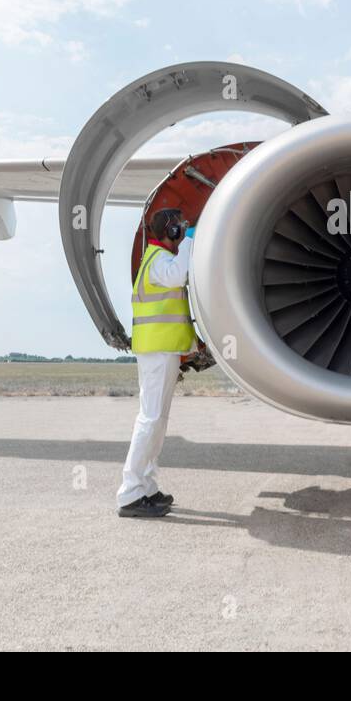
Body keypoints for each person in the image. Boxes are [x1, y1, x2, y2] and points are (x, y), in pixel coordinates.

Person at [117, 207, 196, 518]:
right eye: (179, 227)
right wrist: (190, 240)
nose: (182, 231)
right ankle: (129, 494)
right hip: (157, 350)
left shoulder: (156, 259)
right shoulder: (159, 261)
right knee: (150, 419)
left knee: (158, 420)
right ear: (170, 231)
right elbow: (180, 274)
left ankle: (147, 486)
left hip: (162, 349)